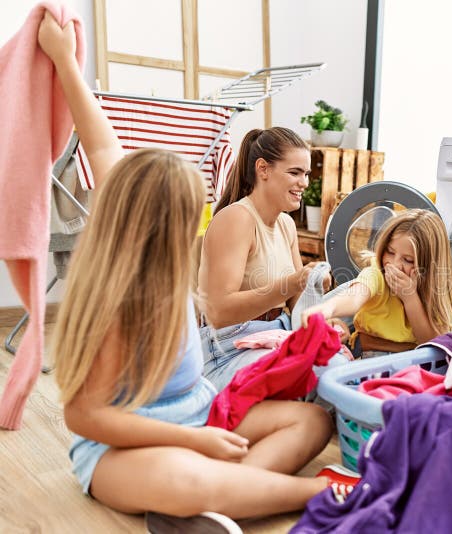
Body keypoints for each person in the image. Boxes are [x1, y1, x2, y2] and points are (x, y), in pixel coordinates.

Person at [38, 12, 337, 531]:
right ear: (161, 225)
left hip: (197, 413)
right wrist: (192, 441)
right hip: (123, 445)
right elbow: (82, 417)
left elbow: (104, 145)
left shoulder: (141, 228)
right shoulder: (122, 296)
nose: (201, 220)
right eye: (191, 213)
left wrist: (64, 58)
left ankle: (217, 504)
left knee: (311, 420)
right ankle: (318, 495)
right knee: (184, 476)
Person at [197, 127, 332, 390]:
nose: (304, 182)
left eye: (306, 174)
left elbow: (296, 304)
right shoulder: (236, 219)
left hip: (275, 333)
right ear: (263, 169)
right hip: (226, 349)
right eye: (294, 172)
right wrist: (291, 283)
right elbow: (218, 311)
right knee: (309, 379)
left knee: (333, 366)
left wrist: (320, 302)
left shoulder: (286, 224)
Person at [301, 209, 452, 357]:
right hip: (372, 356)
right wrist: (328, 308)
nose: (394, 264)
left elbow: (435, 344)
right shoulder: (377, 273)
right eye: (390, 252)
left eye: (408, 260)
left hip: (410, 359)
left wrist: (410, 297)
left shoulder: (437, 289)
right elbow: (354, 297)